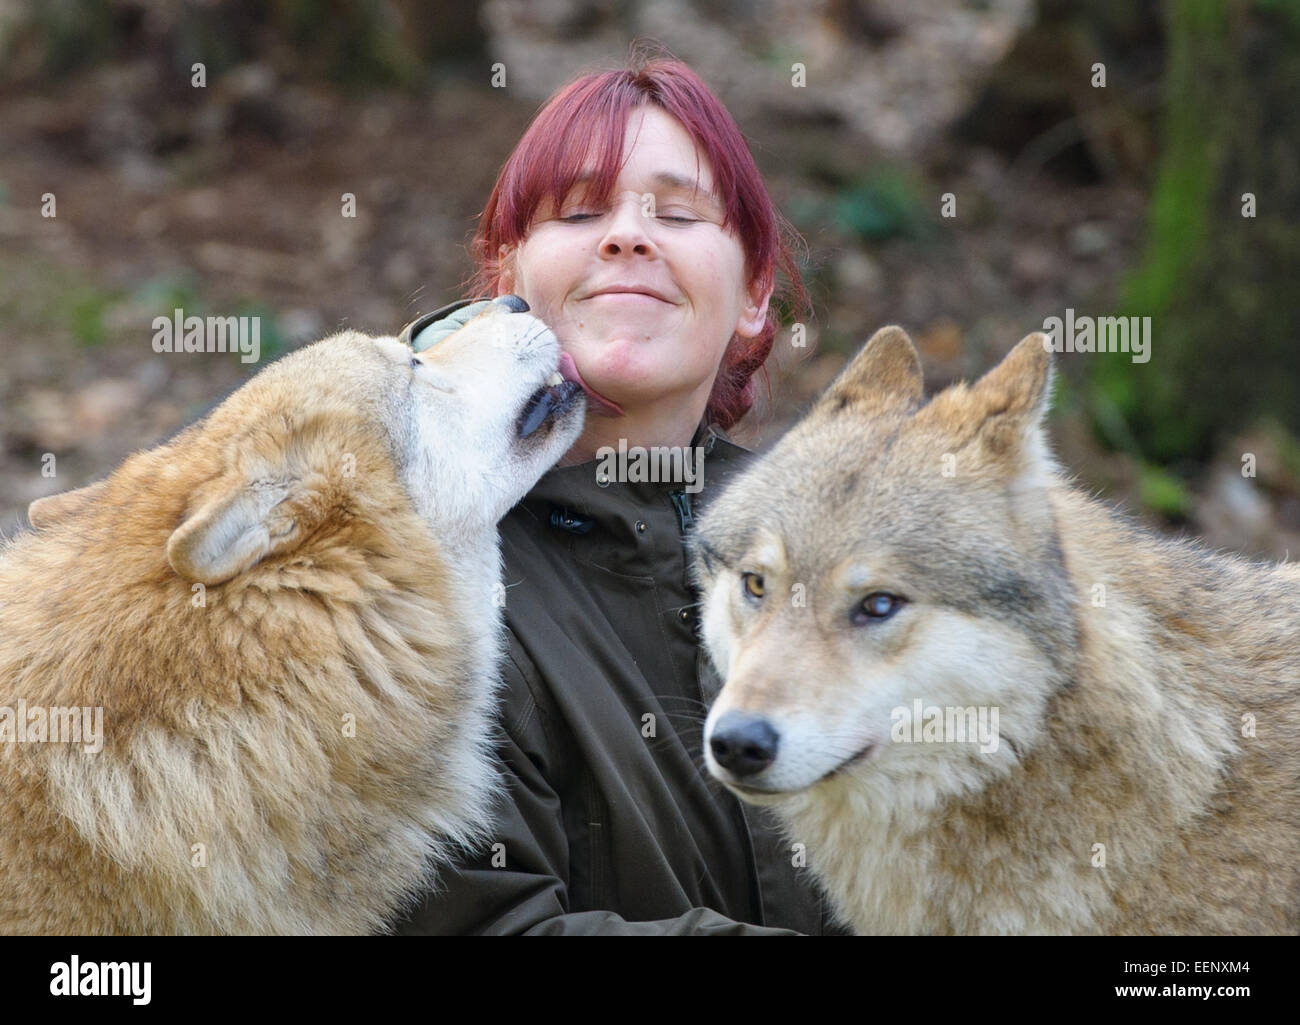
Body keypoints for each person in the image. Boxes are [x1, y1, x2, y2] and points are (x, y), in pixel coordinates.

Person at [393, 49, 847, 935]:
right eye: (580, 210)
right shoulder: (414, 573)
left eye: (676, 212)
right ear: (507, 281)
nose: (627, 236)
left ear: (757, 293)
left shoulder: (842, 554)